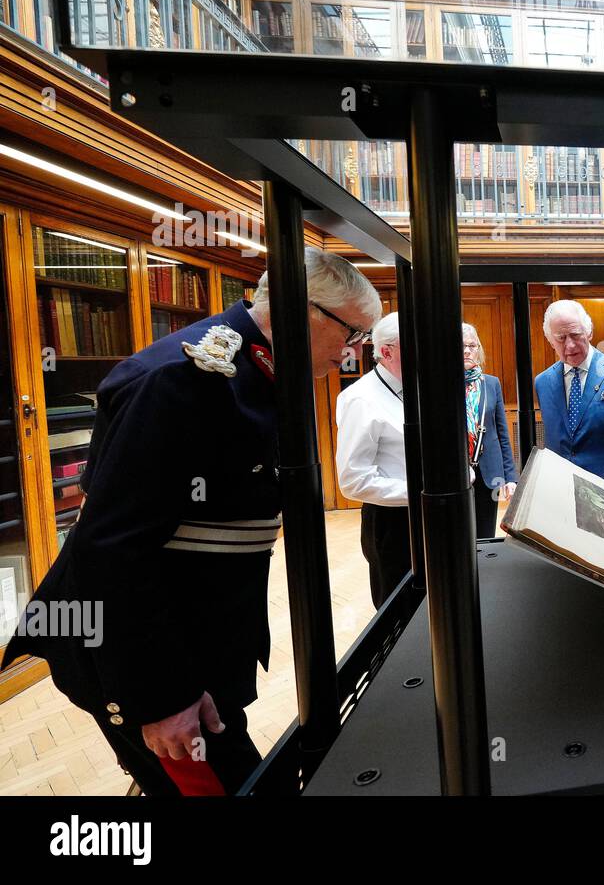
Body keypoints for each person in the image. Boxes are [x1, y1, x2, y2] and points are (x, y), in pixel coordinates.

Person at [2, 247, 381, 796]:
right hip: (138, 659)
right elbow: (111, 551)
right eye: (352, 334)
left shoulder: (258, 370)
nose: (353, 353)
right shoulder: (184, 379)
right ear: (304, 311)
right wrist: (160, 697)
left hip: (197, 645)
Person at [335, 311, 412, 609]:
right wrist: (421, 492)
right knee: (398, 613)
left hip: (429, 517)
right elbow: (353, 481)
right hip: (391, 525)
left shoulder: (416, 387)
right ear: (386, 351)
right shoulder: (361, 399)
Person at [535, 299, 604, 496]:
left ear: (589, 332)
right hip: (563, 492)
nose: (570, 345)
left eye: (576, 335)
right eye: (561, 338)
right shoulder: (542, 382)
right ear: (550, 340)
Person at [463, 322, 517, 539]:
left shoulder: (491, 383)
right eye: (462, 345)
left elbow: (502, 433)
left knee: (485, 534)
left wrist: (511, 477)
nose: (467, 350)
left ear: (479, 349)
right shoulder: (442, 384)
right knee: (460, 535)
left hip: (489, 474)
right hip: (457, 474)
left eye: (472, 345)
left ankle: (482, 574)